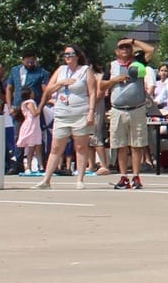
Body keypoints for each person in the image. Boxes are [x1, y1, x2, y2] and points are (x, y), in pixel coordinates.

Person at [40, 45, 99, 188]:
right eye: (65, 55)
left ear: (77, 56)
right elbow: (48, 89)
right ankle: (46, 180)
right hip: (62, 113)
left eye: (70, 54)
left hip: (80, 113)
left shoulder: (85, 70)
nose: (67, 57)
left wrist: (91, 111)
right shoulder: (61, 70)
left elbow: (92, 92)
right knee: (56, 147)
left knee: (80, 146)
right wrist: (61, 83)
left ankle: (80, 179)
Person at [102, 39, 151, 190]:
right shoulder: (111, 66)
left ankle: (136, 177)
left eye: (127, 47)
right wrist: (115, 80)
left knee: (137, 144)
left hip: (137, 108)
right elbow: (100, 85)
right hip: (118, 109)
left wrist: (132, 40)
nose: (125, 50)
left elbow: (150, 50)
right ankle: (124, 177)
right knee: (120, 145)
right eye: (121, 47)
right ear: (116, 51)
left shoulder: (138, 62)